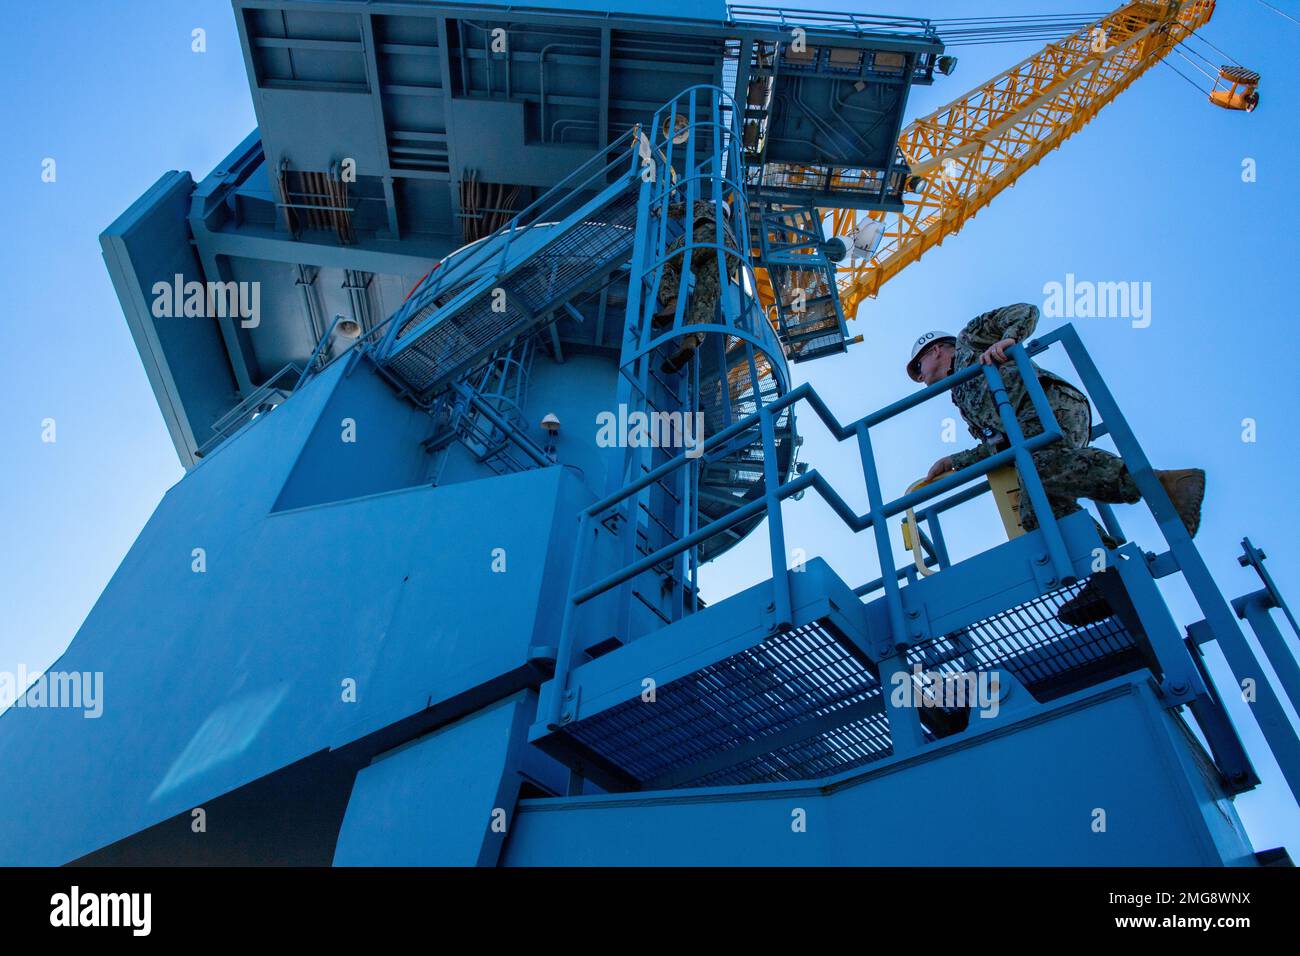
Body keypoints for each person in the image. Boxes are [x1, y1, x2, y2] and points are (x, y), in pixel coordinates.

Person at [907, 303, 1206, 625]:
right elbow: (998, 444)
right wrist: (956, 460)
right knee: (1035, 510)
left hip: (1050, 408)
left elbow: (1024, 312)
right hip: (1027, 436)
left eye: (918, 365)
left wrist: (1007, 339)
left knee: (1038, 469)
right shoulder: (963, 396)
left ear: (937, 349)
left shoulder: (970, 342)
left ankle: (1165, 485)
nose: (919, 376)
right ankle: (1106, 573)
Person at [653, 196, 740, 374]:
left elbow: (681, 208)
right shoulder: (729, 226)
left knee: (668, 262)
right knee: (706, 298)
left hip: (708, 233)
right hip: (731, 252)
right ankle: (690, 341)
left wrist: (659, 210)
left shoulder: (704, 204)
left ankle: (672, 302)